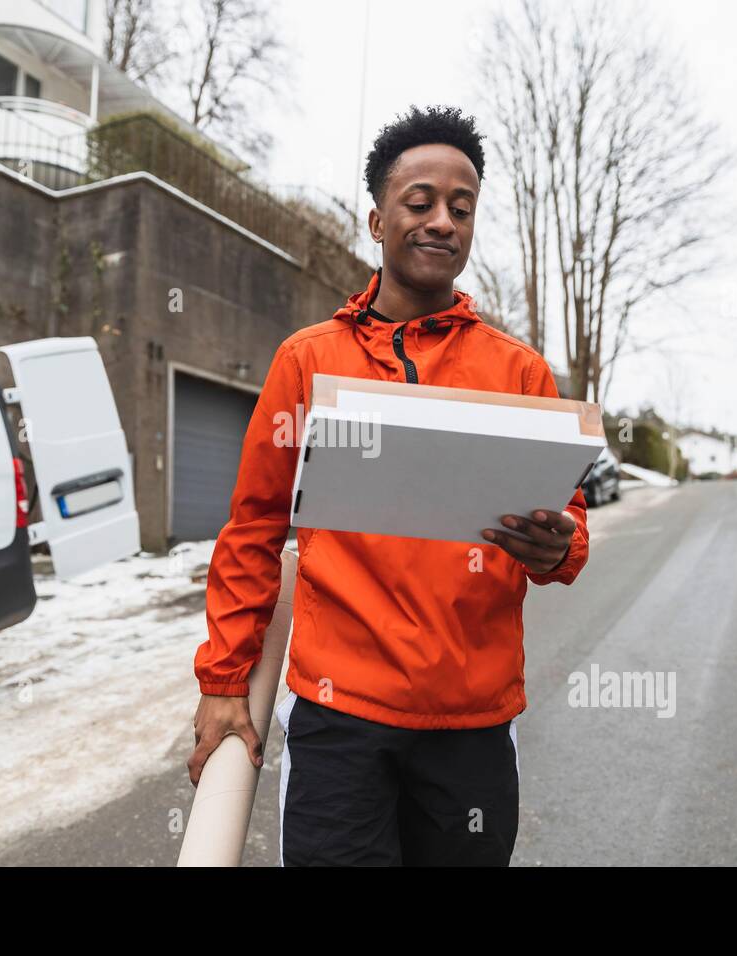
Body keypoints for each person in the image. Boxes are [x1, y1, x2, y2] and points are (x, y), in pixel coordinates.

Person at [188, 104, 589, 866]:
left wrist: (559, 546)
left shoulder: (521, 374)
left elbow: (566, 531)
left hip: (472, 728)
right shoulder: (307, 362)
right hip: (339, 723)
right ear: (376, 222)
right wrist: (223, 682)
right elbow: (252, 535)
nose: (442, 220)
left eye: (461, 208)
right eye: (420, 202)